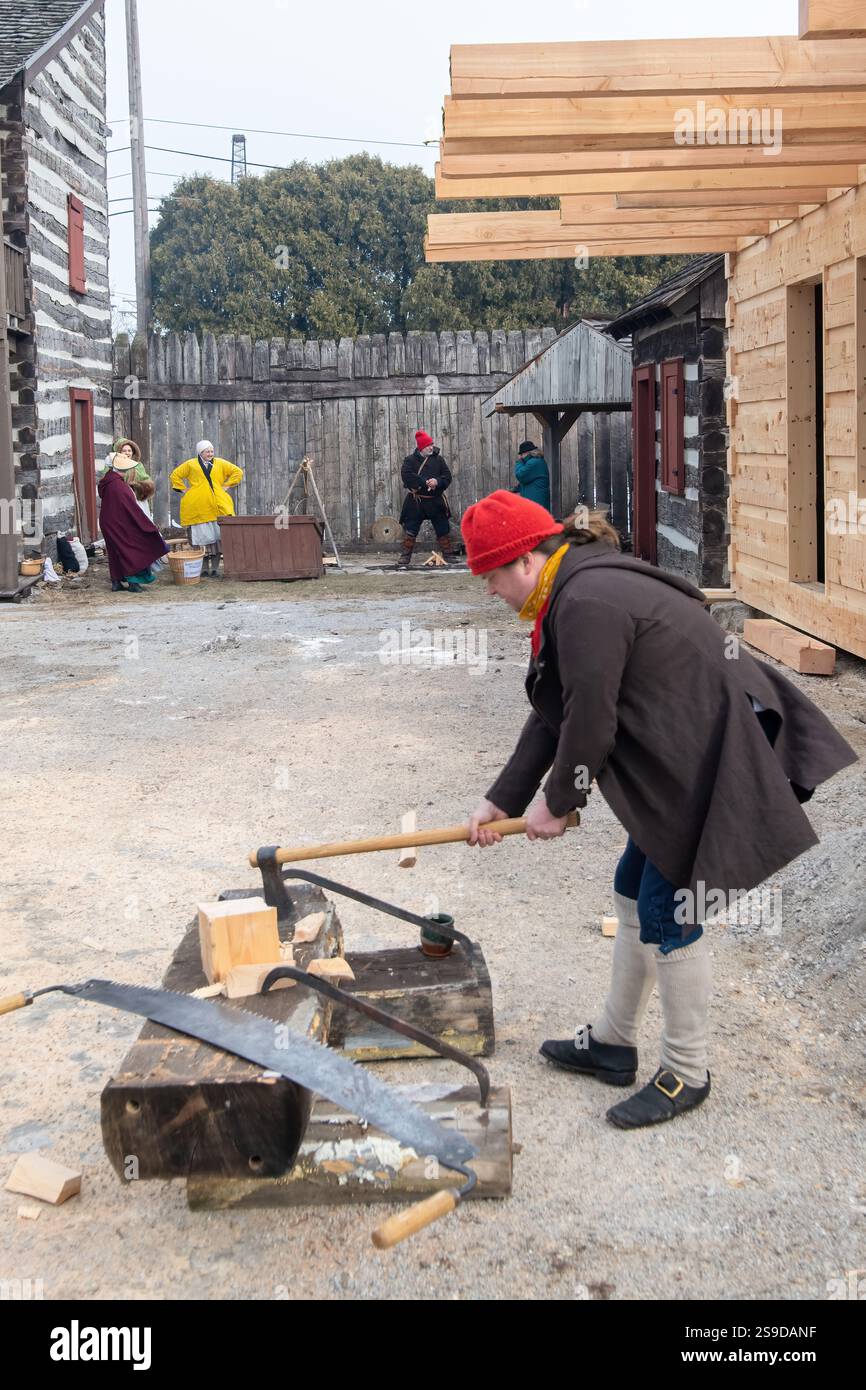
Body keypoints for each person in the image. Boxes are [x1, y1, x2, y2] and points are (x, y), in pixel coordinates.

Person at [462, 491, 856, 1130]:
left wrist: (557, 804)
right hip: (687, 756)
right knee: (631, 886)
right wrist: (502, 799)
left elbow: (590, 722)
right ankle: (615, 1041)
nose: (489, 591)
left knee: (670, 909)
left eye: (491, 576)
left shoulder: (585, 601)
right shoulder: (573, 588)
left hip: (714, 759)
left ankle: (687, 1071)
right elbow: (555, 709)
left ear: (529, 560)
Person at [169, 441, 243, 578]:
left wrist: (226, 486)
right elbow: (175, 475)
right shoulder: (191, 464)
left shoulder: (220, 463)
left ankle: (215, 569)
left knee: (217, 540)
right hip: (199, 507)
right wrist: (184, 489)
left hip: (217, 506)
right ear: (200, 452)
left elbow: (237, 472)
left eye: (211, 451)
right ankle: (203, 569)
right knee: (201, 541)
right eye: (207, 451)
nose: (210, 454)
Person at [97, 464, 168, 593]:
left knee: (116, 552)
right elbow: (131, 509)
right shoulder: (119, 486)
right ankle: (133, 582)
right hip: (120, 524)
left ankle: (116, 582)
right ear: (121, 470)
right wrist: (145, 524)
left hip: (109, 523)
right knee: (132, 551)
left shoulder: (109, 481)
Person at [397, 430, 457, 569]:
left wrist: (437, 482)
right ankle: (405, 555)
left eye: (431, 444)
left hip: (435, 500)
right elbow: (406, 476)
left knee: (442, 528)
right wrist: (424, 482)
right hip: (416, 501)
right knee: (411, 529)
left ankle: (448, 554)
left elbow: (447, 477)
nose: (431, 447)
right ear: (421, 448)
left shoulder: (439, 460)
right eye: (428, 445)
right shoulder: (410, 460)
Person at [103, 439, 155, 517]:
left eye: (129, 450)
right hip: (119, 500)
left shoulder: (138, 466)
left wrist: (137, 487)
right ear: (119, 453)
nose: (127, 453)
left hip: (136, 500)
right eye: (124, 451)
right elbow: (107, 481)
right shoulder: (112, 467)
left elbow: (147, 482)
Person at [513, 440, 551, 511]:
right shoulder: (536, 461)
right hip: (536, 504)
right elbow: (528, 481)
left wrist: (519, 463)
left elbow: (520, 475)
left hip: (536, 505)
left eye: (521, 454)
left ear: (527, 453)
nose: (521, 457)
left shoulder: (534, 463)